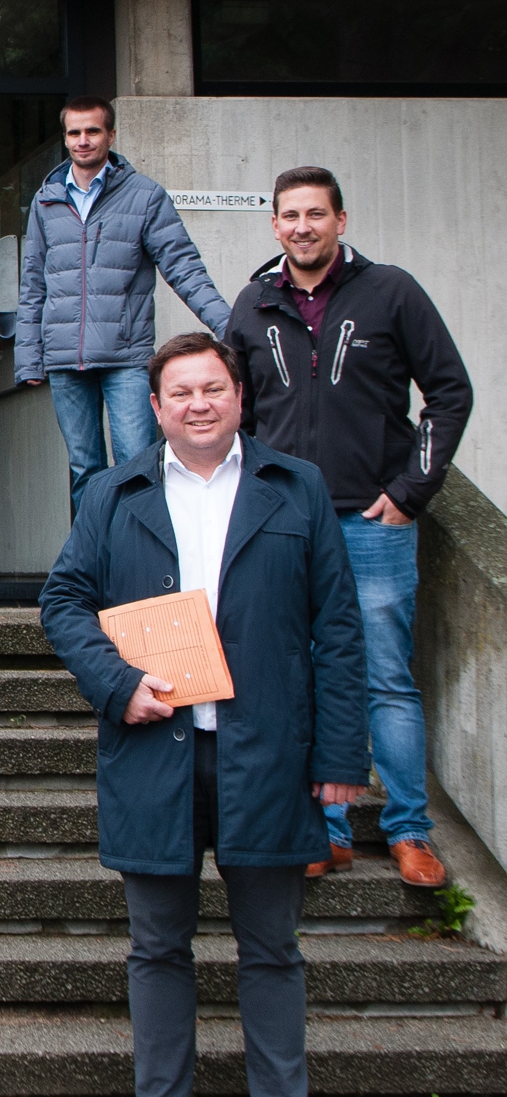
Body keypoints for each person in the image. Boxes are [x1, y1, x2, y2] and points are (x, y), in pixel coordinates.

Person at [41, 332, 368, 1097]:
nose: (199, 405)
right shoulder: (113, 494)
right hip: (155, 751)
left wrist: (341, 756)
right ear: (155, 408)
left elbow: (339, 628)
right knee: (157, 947)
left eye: (213, 389)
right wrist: (117, 684)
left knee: (273, 949)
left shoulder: (298, 488)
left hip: (269, 753)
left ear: (240, 398)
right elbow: (63, 602)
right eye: (181, 393)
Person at [223, 167, 472, 888]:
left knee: (385, 676)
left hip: (372, 519)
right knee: (299, 675)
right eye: (290, 215)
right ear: (274, 225)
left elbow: (449, 392)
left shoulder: (392, 291)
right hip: (286, 521)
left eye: (316, 214)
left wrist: (411, 490)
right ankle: (324, 831)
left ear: (340, 219)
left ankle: (408, 830)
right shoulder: (252, 304)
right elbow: (235, 411)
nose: (302, 227)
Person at [16, 97, 232, 515]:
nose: (83, 140)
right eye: (74, 132)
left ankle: (142, 551)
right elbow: (33, 282)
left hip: (126, 357)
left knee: (137, 465)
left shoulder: (145, 196)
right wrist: (29, 358)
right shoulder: (46, 201)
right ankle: (92, 554)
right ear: (65, 139)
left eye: (92, 131)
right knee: (84, 470)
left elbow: (183, 267)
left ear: (111, 136)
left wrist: (231, 326)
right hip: (64, 359)